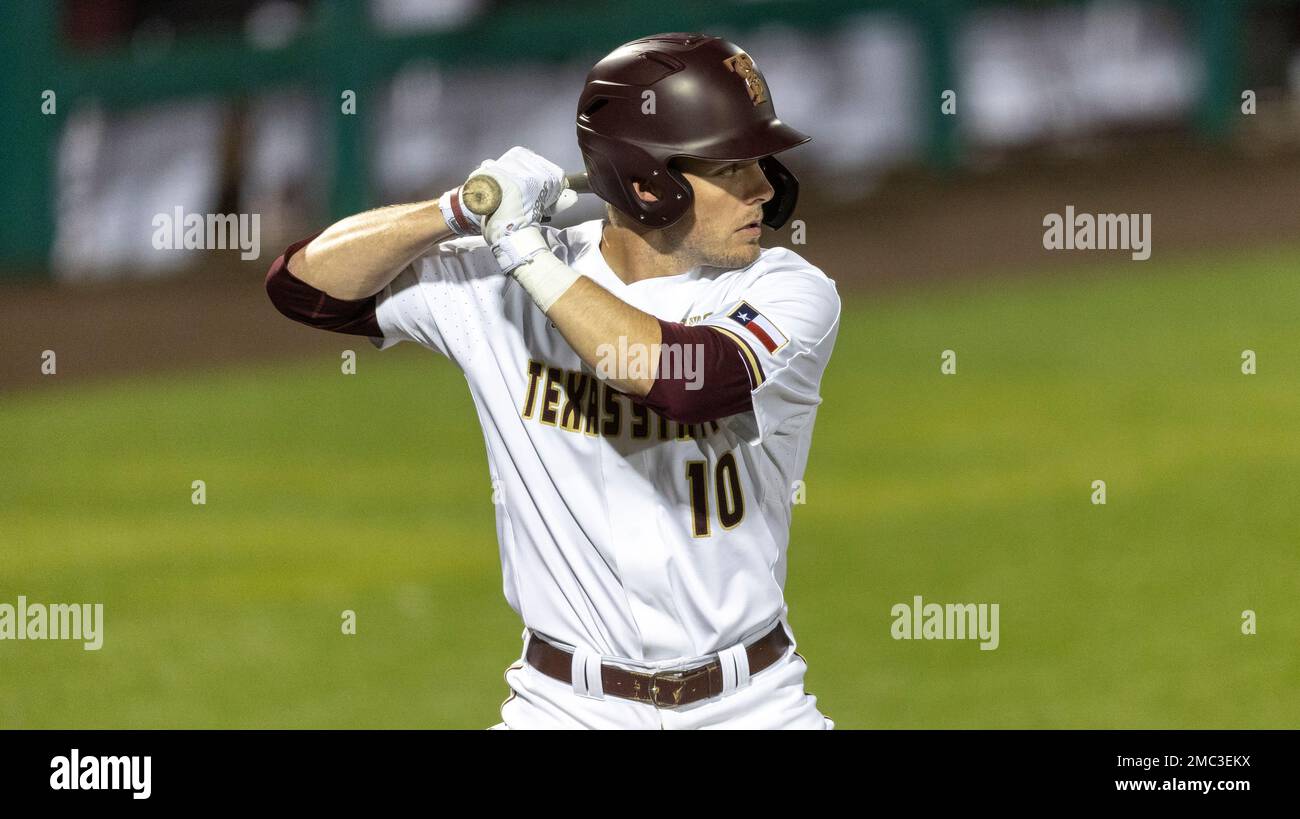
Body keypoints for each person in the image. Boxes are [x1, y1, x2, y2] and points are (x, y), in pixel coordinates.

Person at [266, 33, 840, 729]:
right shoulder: (494, 280)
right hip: (566, 706)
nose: (764, 186)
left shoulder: (787, 291)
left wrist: (526, 254)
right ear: (647, 180)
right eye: (733, 166)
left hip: (753, 705)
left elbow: (684, 383)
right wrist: (456, 211)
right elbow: (303, 288)